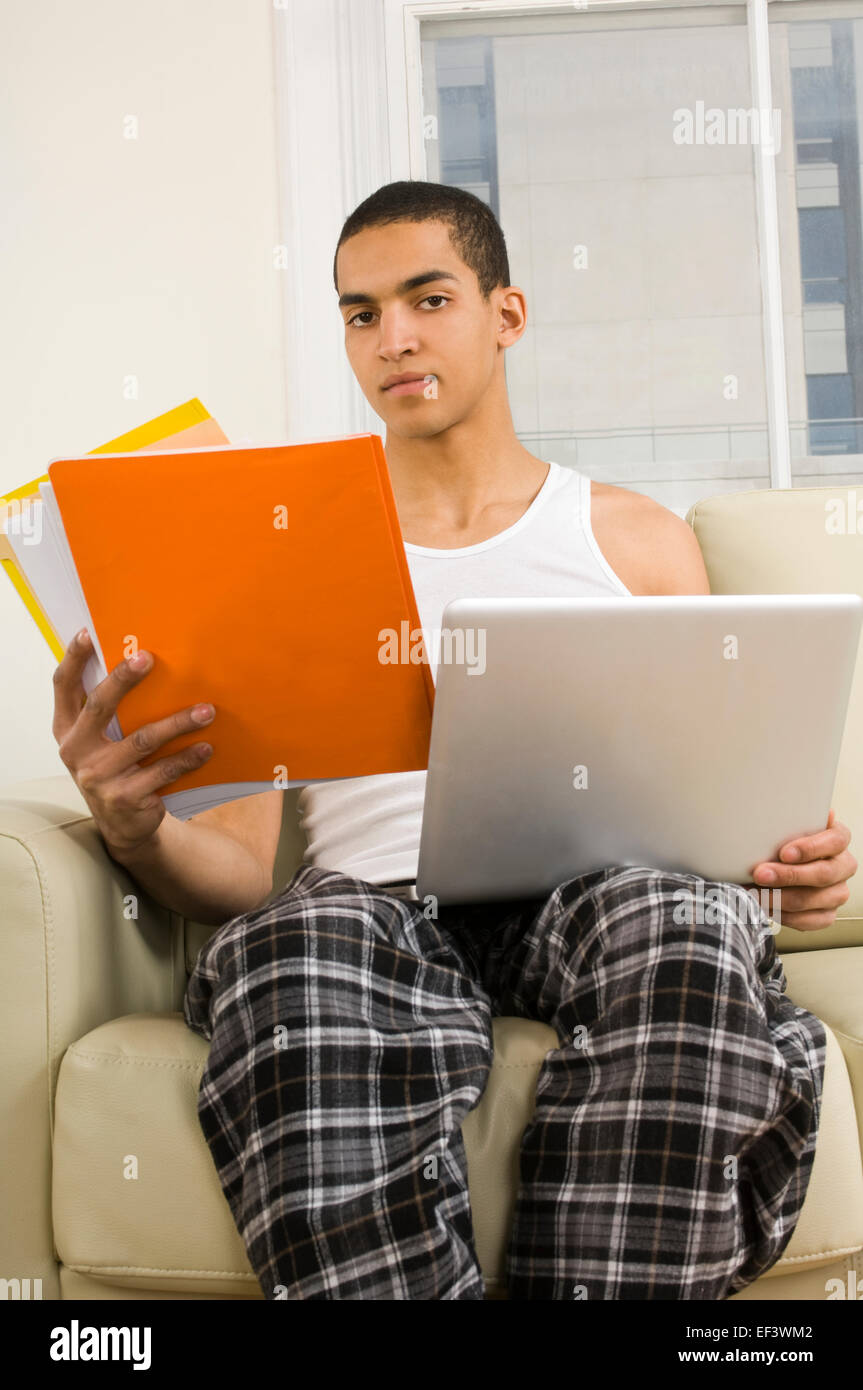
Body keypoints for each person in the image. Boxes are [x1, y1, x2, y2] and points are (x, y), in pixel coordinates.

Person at [52, 181, 857, 1300]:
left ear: (505, 313)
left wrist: (784, 870)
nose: (394, 339)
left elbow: (714, 820)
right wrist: (132, 828)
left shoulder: (633, 539)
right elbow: (236, 873)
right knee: (294, 945)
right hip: (371, 913)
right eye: (360, 313)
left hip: (591, 900)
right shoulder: (285, 551)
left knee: (688, 925)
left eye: (427, 298)